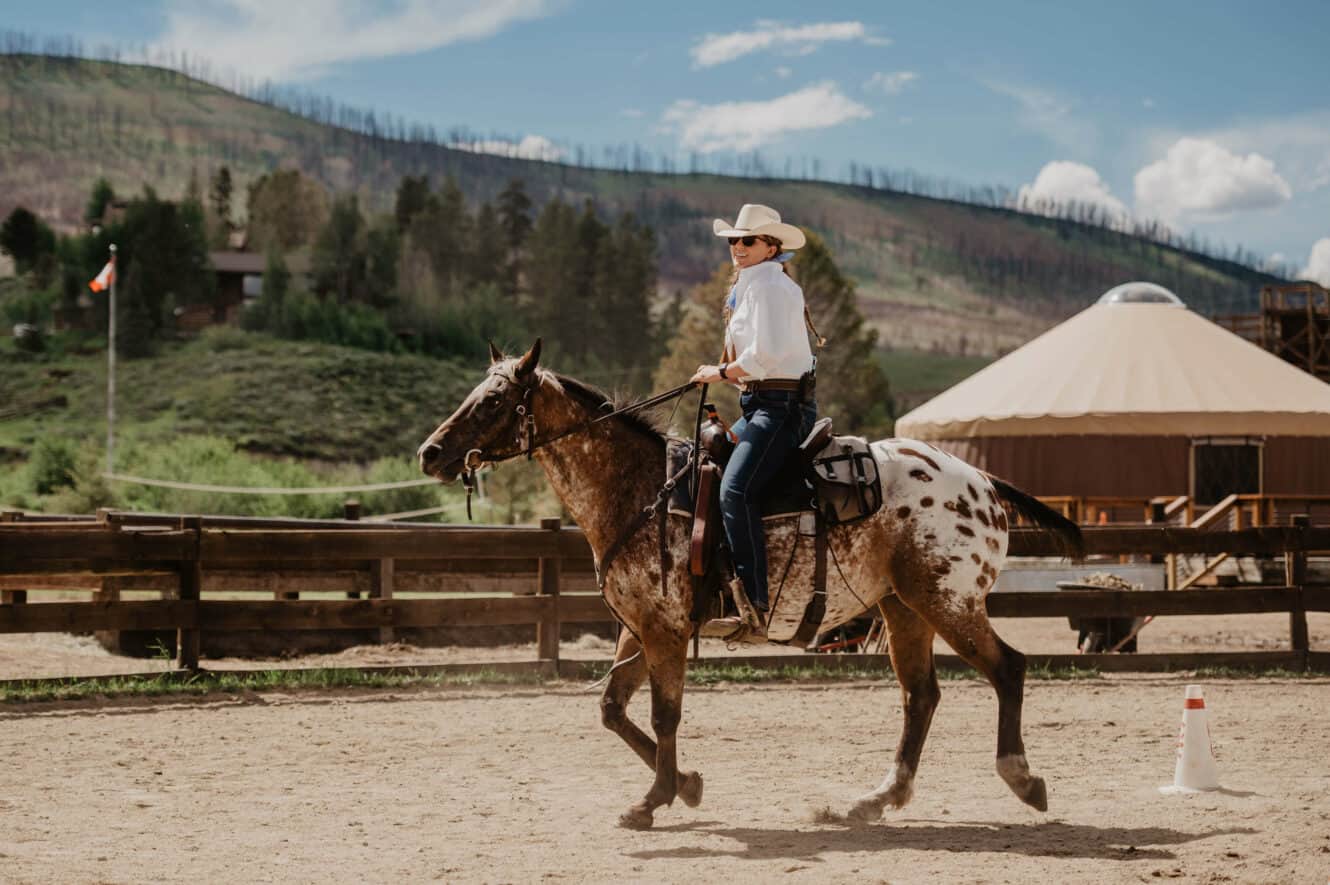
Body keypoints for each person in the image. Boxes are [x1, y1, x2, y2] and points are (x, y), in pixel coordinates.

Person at [690, 204, 818, 637]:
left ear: (771, 246)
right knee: (710, 467)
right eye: (733, 241)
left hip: (780, 407)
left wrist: (718, 373)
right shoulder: (754, 284)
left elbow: (762, 357)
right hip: (761, 404)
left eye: (748, 241)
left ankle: (753, 604)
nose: (738, 248)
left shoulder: (767, 287)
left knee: (735, 488)